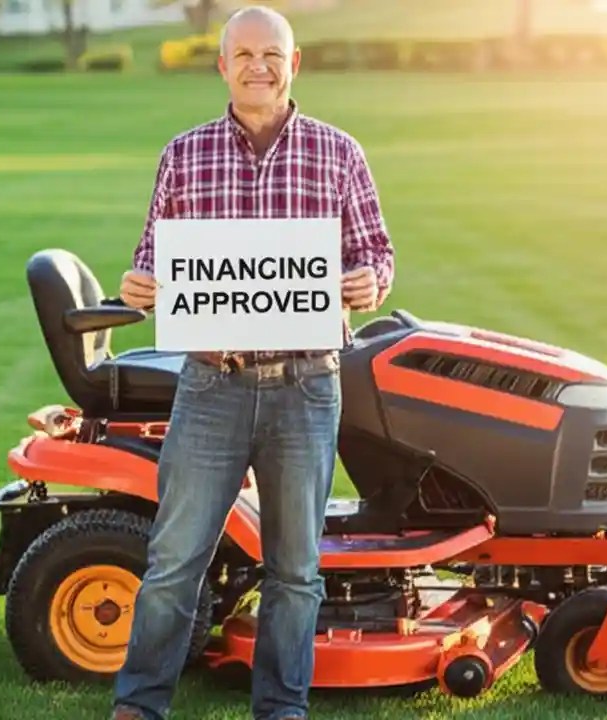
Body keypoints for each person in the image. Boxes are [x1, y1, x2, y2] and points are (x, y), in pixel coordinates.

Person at [108, 6, 394, 720]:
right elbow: (153, 259)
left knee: (295, 569)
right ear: (223, 66)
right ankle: (139, 706)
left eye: (273, 54)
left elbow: (375, 255)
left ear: (293, 65)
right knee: (175, 562)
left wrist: (370, 282)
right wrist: (139, 284)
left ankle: (281, 708)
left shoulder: (339, 152)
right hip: (211, 385)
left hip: (305, 385)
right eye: (244, 54)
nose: (258, 66)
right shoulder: (184, 154)